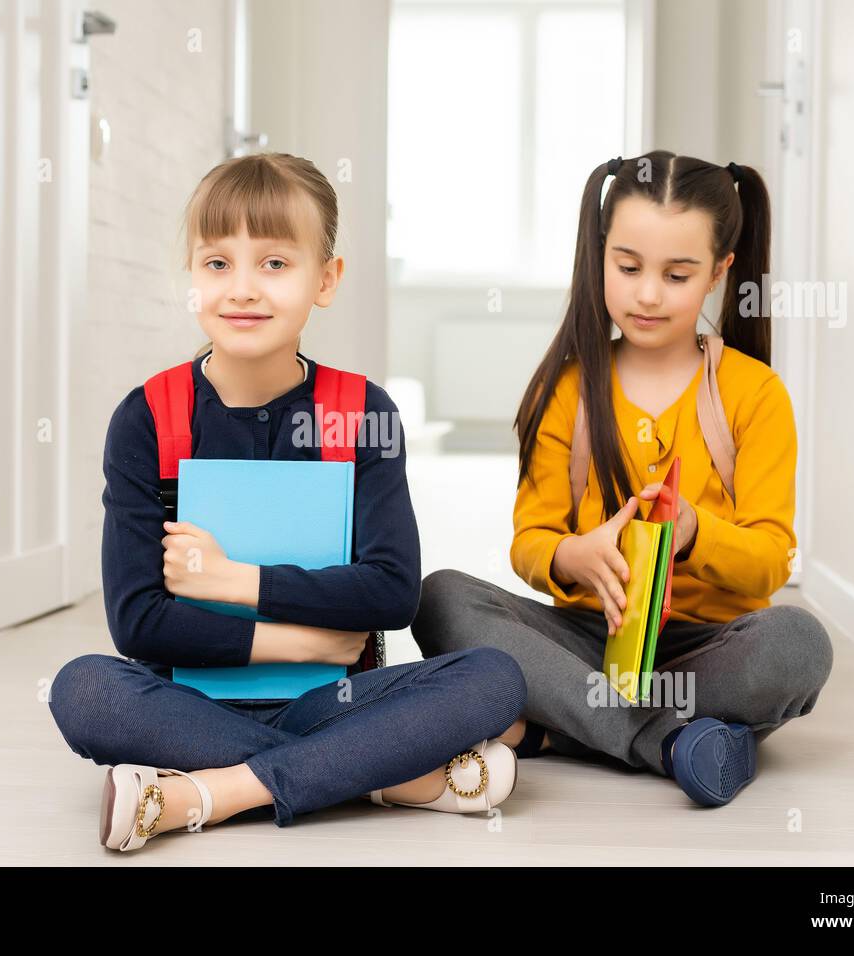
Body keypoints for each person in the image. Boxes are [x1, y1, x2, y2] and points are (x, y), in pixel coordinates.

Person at [49, 152, 527, 852]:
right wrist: (296, 640)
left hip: (334, 698)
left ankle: (210, 793)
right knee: (82, 690)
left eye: (274, 264)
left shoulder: (361, 411)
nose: (242, 289)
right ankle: (380, 774)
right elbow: (138, 622)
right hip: (187, 701)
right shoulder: (148, 417)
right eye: (217, 264)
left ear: (326, 279)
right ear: (192, 276)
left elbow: (393, 593)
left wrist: (232, 581)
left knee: (494, 679)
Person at [411, 151, 833, 807]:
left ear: (721, 271)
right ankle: (671, 742)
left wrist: (695, 532)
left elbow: (770, 564)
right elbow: (531, 541)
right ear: (599, 254)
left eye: (678, 274)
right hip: (583, 639)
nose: (647, 293)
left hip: (702, 648)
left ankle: (560, 731)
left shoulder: (756, 394)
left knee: (797, 646)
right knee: (440, 599)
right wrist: (575, 556)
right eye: (628, 267)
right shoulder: (569, 390)